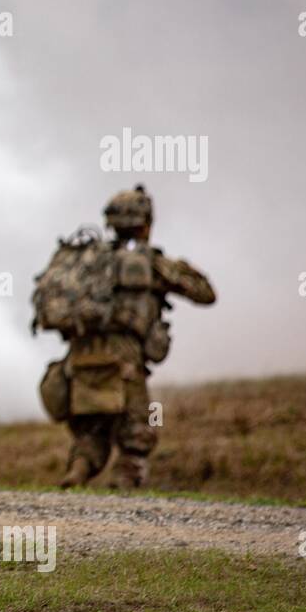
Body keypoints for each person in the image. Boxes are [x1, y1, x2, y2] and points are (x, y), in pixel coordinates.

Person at [54, 185, 216, 488]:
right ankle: (123, 492)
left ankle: (77, 470)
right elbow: (205, 293)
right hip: (124, 358)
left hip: (80, 356)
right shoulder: (151, 263)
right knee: (137, 430)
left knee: (91, 430)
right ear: (145, 223)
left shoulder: (84, 261)